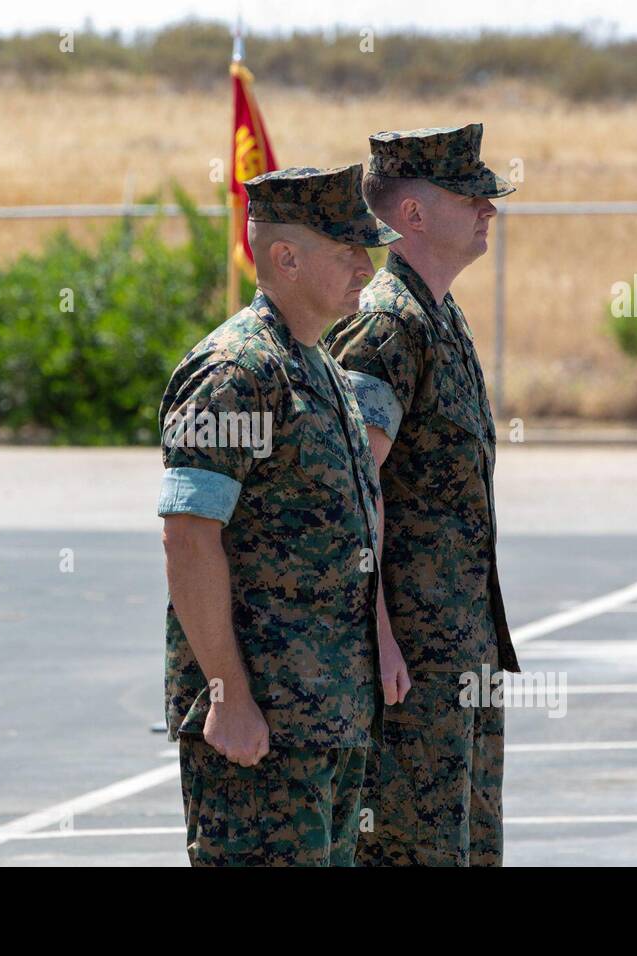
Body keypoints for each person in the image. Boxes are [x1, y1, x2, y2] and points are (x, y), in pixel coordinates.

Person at [157, 164, 399, 865]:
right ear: (286, 258)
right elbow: (188, 537)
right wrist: (228, 695)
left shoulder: (316, 364)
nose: (366, 265)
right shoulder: (239, 372)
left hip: (329, 717)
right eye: (348, 250)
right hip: (262, 729)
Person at [326, 124, 522, 867]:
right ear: (412, 217)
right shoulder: (387, 326)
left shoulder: (441, 315)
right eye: (470, 196)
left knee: (470, 849)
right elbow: (352, 490)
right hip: (411, 664)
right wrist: (376, 636)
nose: (488, 209)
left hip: (459, 650)